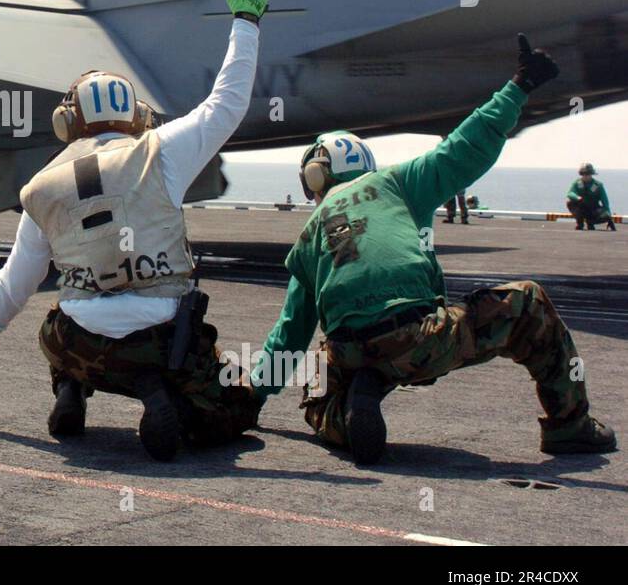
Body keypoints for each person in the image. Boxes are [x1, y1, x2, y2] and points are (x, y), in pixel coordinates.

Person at [250, 35, 616, 463]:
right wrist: (520, 85)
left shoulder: (311, 231)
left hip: (349, 350)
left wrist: (250, 396)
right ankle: (569, 427)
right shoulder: (398, 182)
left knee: (318, 370)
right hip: (421, 341)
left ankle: (341, 416)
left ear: (314, 177)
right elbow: (465, 148)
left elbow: (290, 332)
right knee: (529, 303)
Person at [0, 0, 270, 461]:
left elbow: (17, 279)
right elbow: (225, 104)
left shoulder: (40, 187)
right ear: (136, 116)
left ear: (68, 122)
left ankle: (72, 388)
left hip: (79, 336)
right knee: (236, 410)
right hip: (163, 334)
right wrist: (245, 24)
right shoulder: (160, 151)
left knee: (54, 323)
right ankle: (158, 395)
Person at [567, 163, 615, 231]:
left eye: (587, 174)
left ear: (591, 174)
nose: (585, 176)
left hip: (594, 209)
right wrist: (577, 197)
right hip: (582, 207)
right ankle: (580, 223)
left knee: (606, 216)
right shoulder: (577, 183)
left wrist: (609, 217)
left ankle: (590, 222)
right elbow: (570, 193)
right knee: (570, 203)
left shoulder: (598, 185)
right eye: (583, 174)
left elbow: (605, 201)